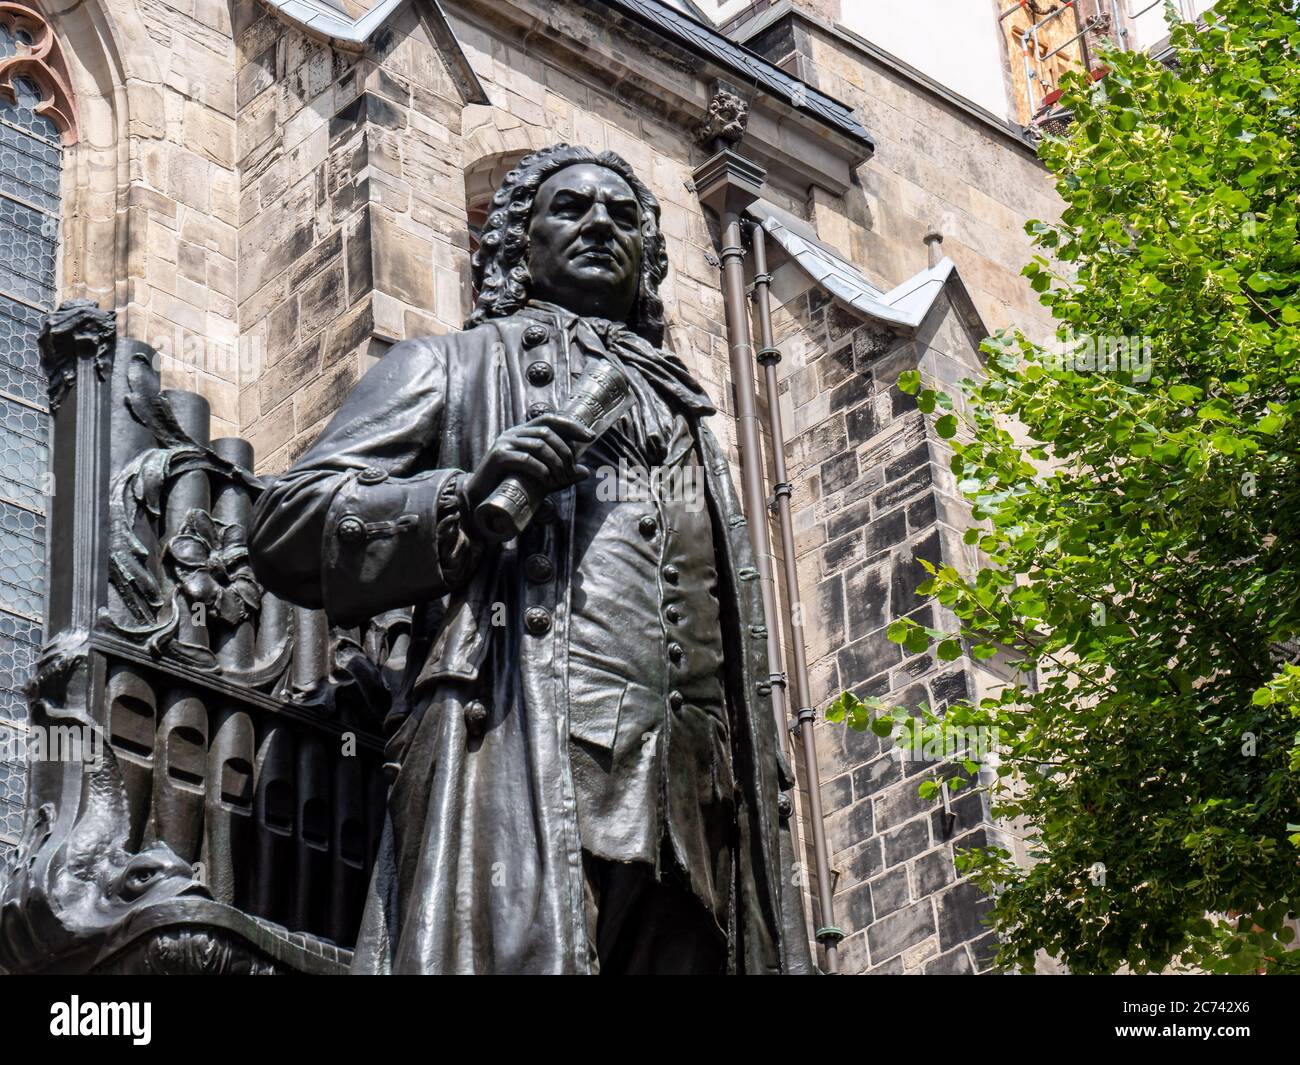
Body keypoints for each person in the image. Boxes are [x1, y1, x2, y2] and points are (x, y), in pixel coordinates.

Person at [249, 144, 812, 974]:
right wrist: (461, 500)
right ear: (519, 244)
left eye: (624, 218)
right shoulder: (450, 365)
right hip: (523, 751)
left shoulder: (690, 418)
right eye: (572, 208)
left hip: (698, 808)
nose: (600, 225)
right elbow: (287, 525)